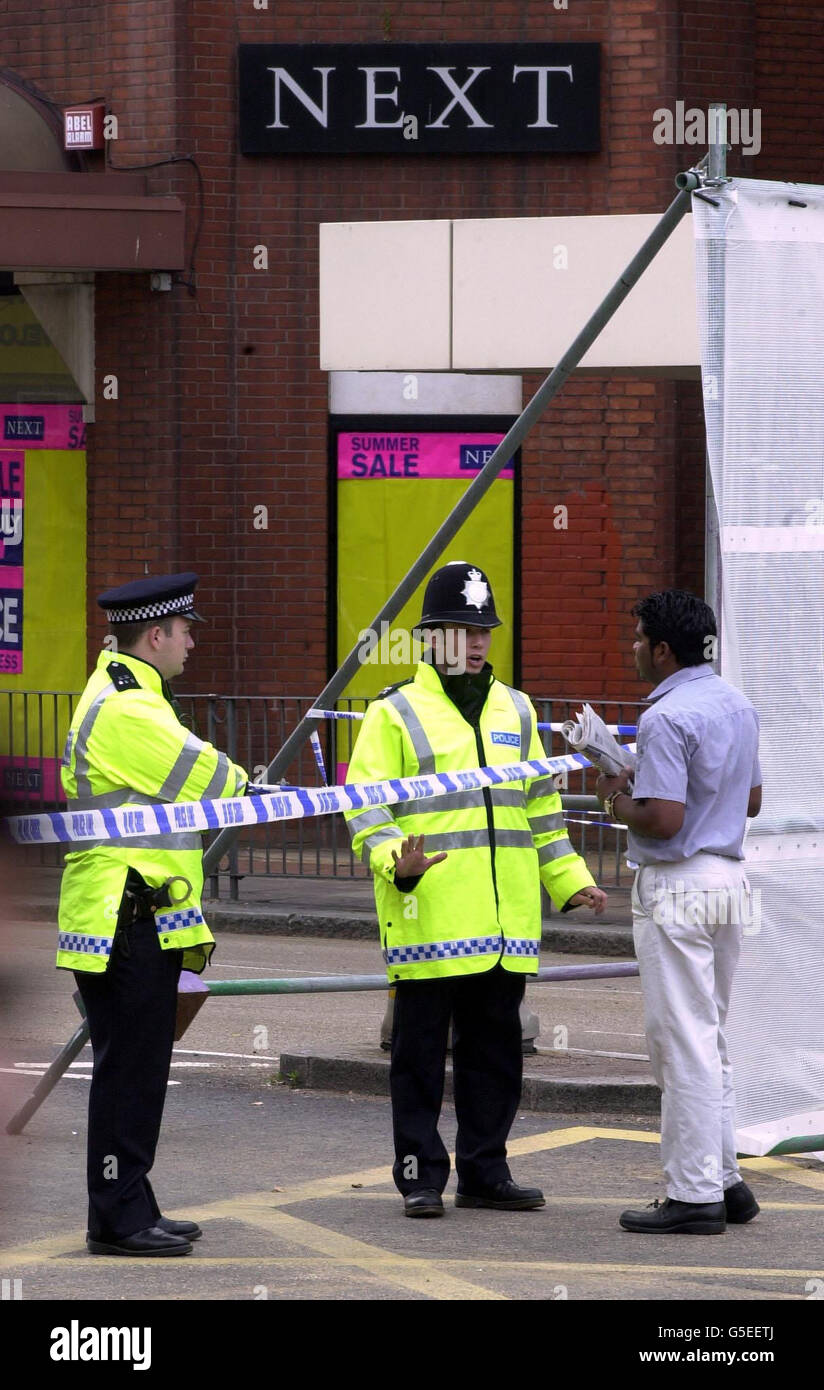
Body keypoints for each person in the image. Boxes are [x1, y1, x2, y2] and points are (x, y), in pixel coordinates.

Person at [345, 561, 607, 1217]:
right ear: (430, 636)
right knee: (419, 1060)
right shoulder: (394, 713)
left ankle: (486, 1171)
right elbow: (365, 807)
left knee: (496, 1059)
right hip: (429, 914)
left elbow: (541, 812)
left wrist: (570, 880)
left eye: (484, 629)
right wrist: (391, 861)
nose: (477, 641)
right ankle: (420, 1177)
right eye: (462, 629)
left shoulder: (517, 711)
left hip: (504, 921)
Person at [57, 573, 248, 1256]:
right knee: (128, 1070)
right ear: (156, 635)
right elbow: (212, 777)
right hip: (124, 919)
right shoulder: (129, 709)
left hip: (132, 916)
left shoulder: (127, 693)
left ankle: (130, 1199)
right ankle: (116, 1215)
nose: (193, 642)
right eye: (186, 630)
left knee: (137, 1067)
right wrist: (246, 781)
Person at [595, 589, 762, 1234]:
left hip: (679, 885)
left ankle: (694, 1195)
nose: (633, 648)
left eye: (638, 638)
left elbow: (662, 821)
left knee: (680, 1042)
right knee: (709, 1035)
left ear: (663, 649)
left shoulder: (667, 716)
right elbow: (749, 800)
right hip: (727, 879)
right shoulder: (735, 704)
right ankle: (724, 1179)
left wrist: (614, 790)